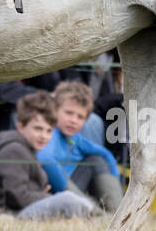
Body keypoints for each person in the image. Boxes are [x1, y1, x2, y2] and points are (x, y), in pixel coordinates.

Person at [0, 92, 98, 219]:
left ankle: (92, 217)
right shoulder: (14, 150)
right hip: (3, 215)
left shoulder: (28, 149)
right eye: (38, 129)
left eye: (49, 131)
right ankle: (96, 218)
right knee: (67, 199)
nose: (44, 136)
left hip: (17, 210)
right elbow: (17, 195)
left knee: (69, 200)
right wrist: (48, 198)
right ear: (21, 127)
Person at [36, 81, 122, 211]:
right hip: (48, 194)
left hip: (72, 191)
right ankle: (96, 213)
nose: (74, 120)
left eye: (80, 117)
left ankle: (118, 211)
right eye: (69, 113)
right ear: (55, 110)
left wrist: (116, 178)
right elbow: (44, 158)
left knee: (96, 160)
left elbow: (105, 154)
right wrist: (82, 201)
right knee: (95, 161)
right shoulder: (50, 132)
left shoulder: (75, 139)